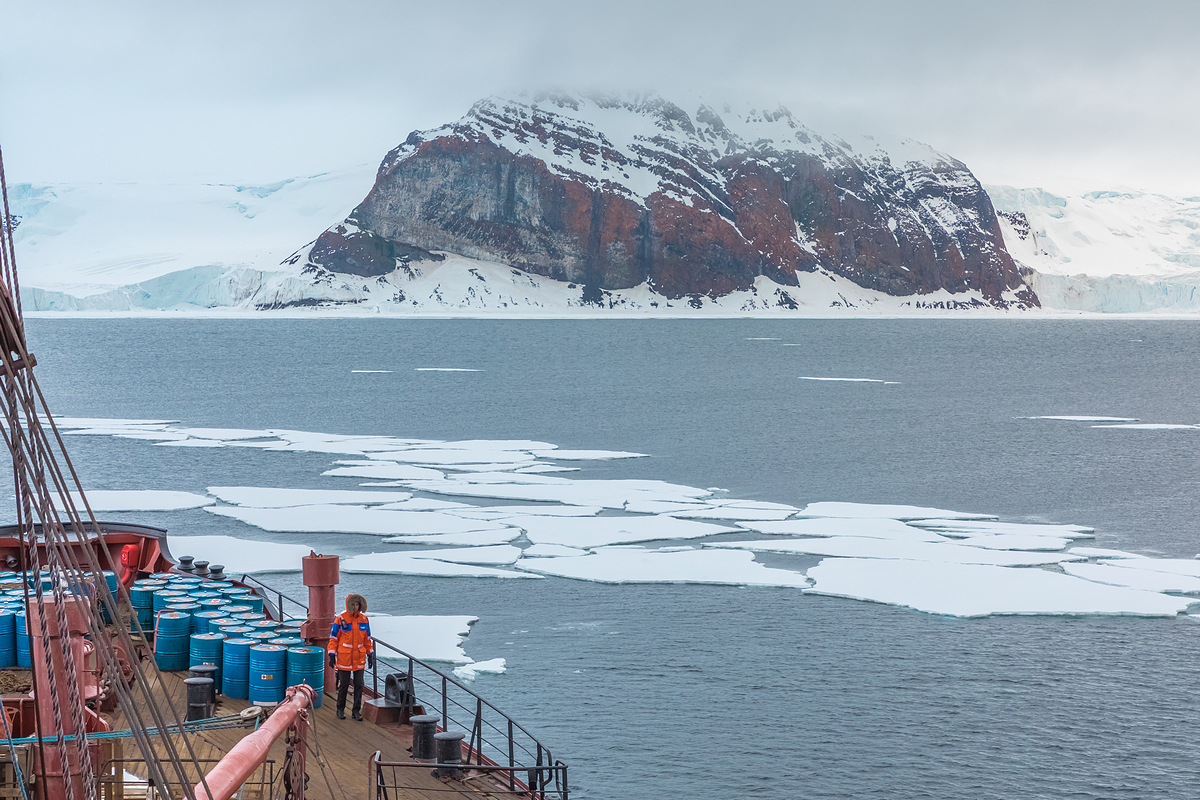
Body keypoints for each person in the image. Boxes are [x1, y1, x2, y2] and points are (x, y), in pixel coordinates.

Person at [327, 593, 376, 720]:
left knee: (359, 684)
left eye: (357, 604)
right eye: (353, 604)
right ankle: (340, 709)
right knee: (344, 684)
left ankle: (356, 711)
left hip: (359, 658)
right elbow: (333, 638)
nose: (355, 607)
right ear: (349, 605)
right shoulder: (341, 619)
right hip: (345, 658)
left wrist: (370, 654)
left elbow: (367, 639)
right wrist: (331, 654)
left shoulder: (364, 620)